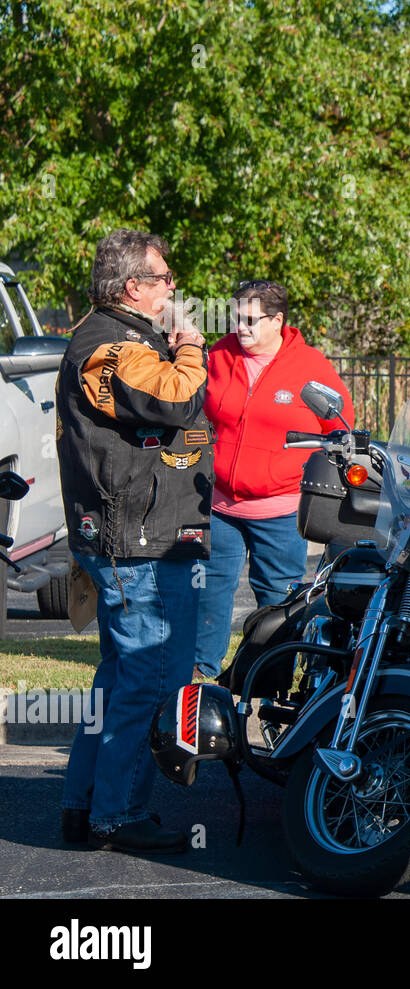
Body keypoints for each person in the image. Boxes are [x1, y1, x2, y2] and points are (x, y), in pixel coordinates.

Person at [57, 228, 211, 854]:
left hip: (133, 533)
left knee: (118, 676)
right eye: (165, 278)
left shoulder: (119, 337)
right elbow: (173, 399)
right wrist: (193, 346)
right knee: (142, 680)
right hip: (133, 539)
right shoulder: (107, 344)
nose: (174, 287)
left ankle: (82, 804)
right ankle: (113, 816)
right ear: (134, 287)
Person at [193, 280, 354, 679]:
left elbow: (342, 428)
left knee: (278, 601)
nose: (240, 328)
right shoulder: (219, 356)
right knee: (209, 595)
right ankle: (198, 676)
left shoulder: (310, 366)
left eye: (250, 320)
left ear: (277, 320)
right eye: (235, 318)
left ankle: (273, 678)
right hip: (220, 506)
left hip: (281, 511)